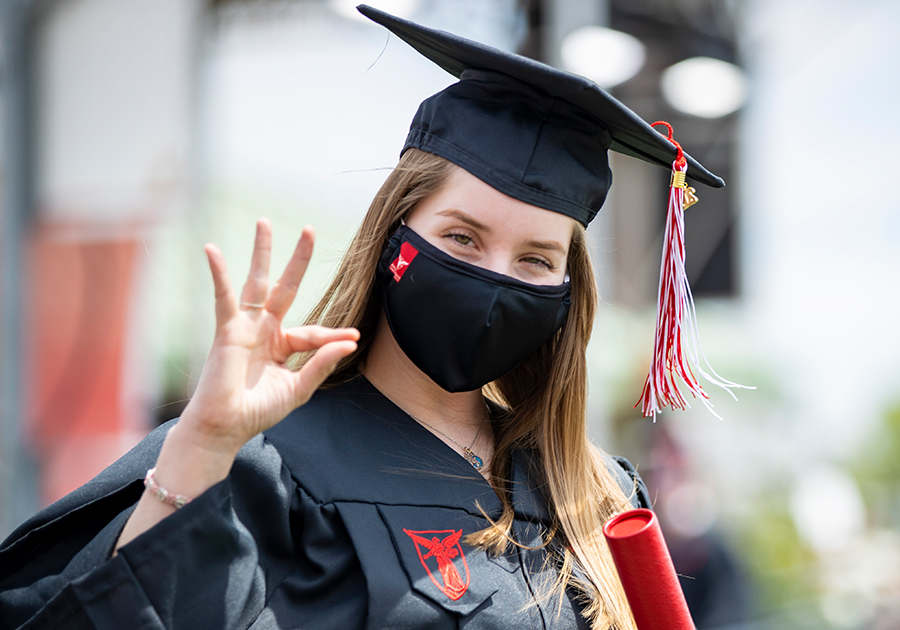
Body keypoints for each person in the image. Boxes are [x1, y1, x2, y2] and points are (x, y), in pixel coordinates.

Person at [0, 6, 726, 630]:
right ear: (392, 241)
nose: (496, 280)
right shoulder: (262, 466)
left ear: (568, 294)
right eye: (462, 238)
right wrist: (200, 449)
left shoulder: (597, 497)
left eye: (535, 260)